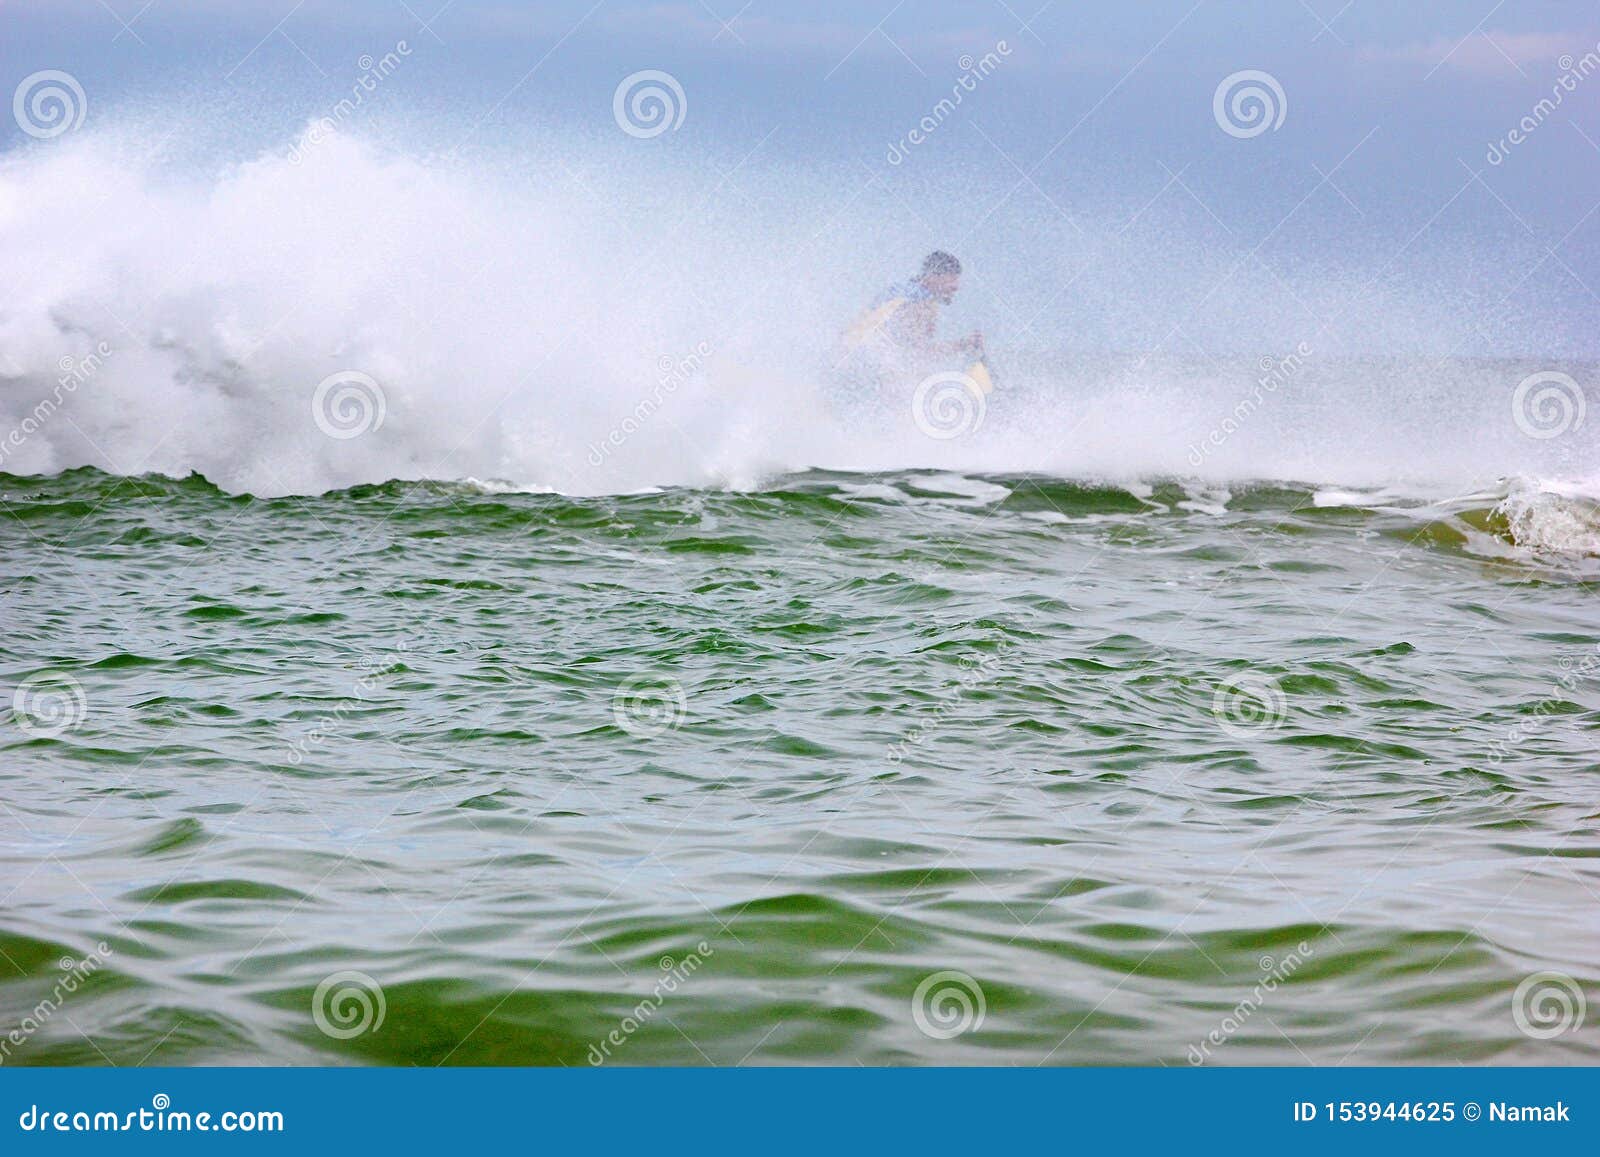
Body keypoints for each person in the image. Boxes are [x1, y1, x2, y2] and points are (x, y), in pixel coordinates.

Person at [840, 251, 984, 363]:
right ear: (932, 277)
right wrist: (964, 345)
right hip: (864, 365)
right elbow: (917, 355)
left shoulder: (899, 290)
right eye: (951, 279)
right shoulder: (923, 305)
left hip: (843, 354)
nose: (956, 287)